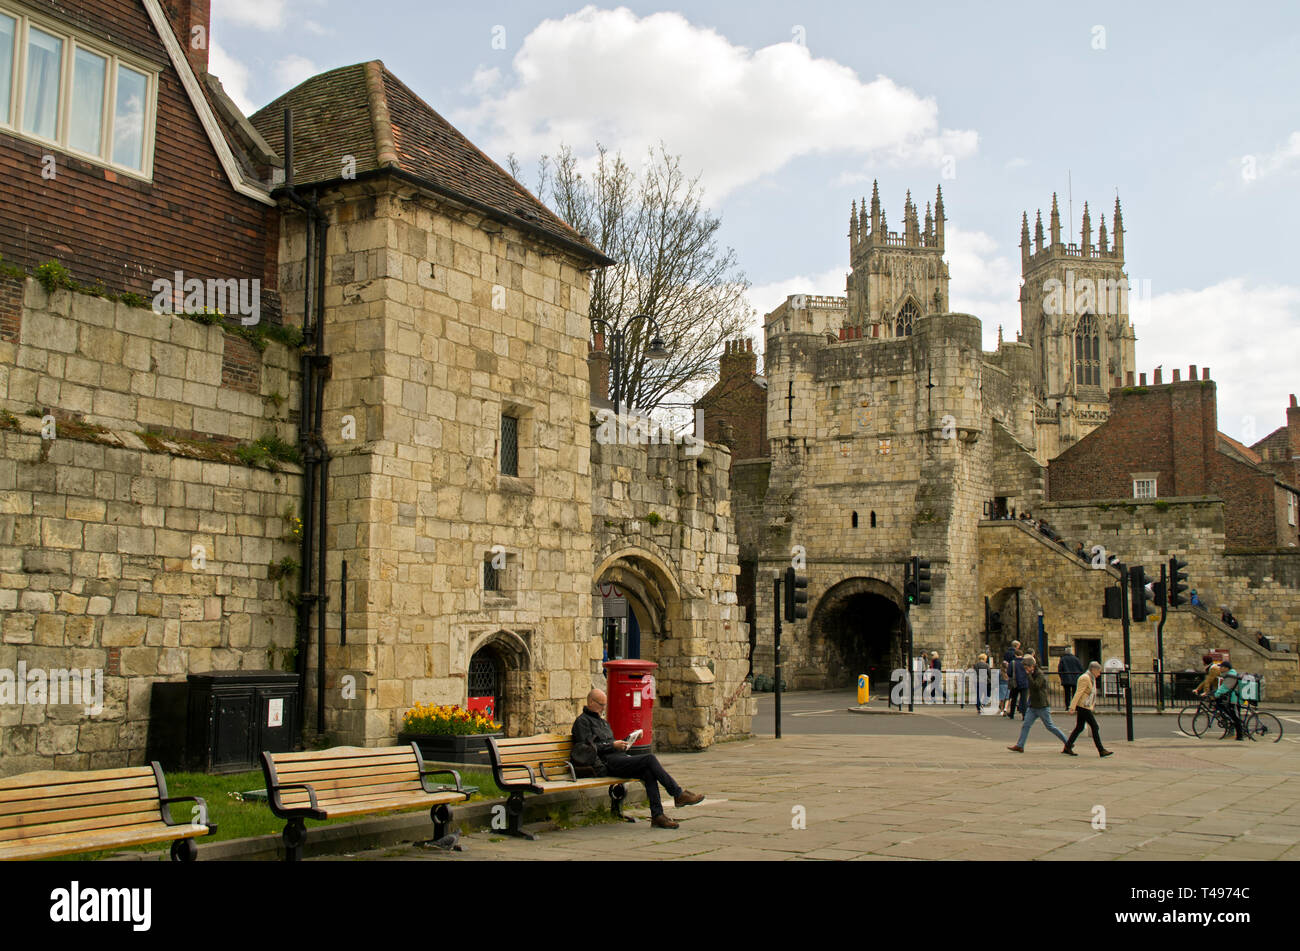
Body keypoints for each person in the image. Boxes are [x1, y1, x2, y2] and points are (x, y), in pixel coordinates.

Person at [571, 688, 704, 828]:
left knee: (648, 772)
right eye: (601, 704)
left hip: (617, 757)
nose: (603, 708)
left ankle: (657, 816)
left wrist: (627, 741)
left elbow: (608, 743)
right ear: (591, 702)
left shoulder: (602, 722)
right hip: (604, 763)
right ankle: (678, 794)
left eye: (605, 705)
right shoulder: (582, 722)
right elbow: (589, 748)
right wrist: (613, 745)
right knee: (649, 759)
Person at [1007, 656, 1071, 752]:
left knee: (1050, 726)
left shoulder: (1039, 674)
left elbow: (1036, 686)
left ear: (1032, 666)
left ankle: (1068, 743)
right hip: (1033, 705)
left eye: (1026, 667)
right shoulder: (1032, 674)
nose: (1025, 670)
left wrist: (1028, 676)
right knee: (1026, 725)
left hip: (1042, 705)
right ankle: (1020, 745)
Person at [1063, 661, 1112, 757]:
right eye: (1099, 671)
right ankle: (1101, 750)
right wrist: (1072, 707)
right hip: (1083, 706)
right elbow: (1078, 693)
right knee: (1094, 726)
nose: (1099, 674)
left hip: (1085, 706)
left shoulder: (1090, 678)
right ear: (1093, 670)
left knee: (1079, 727)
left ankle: (1067, 746)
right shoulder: (1085, 678)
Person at [1211, 661, 1245, 741]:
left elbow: (1225, 687)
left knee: (1235, 717)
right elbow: (1223, 687)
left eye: (1221, 667)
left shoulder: (1231, 676)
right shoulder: (1229, 675)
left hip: (1234, 699)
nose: (1220, 668)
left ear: (1226, 668)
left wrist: (1216, 695)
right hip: (1232, 698)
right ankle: (1234, 731)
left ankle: (1240, 736)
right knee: (1233, 716)